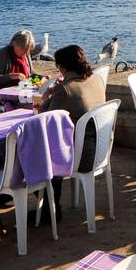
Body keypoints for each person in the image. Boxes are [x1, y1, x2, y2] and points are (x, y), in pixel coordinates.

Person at [36, 45, 106, 224]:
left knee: (39, 151)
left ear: (63, 68)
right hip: (100, 149)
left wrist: (46, 99)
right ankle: (48, 205)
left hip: (80, 156)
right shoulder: (96, 80)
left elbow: (46, 119)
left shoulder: (65, 89)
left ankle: (50, 209)